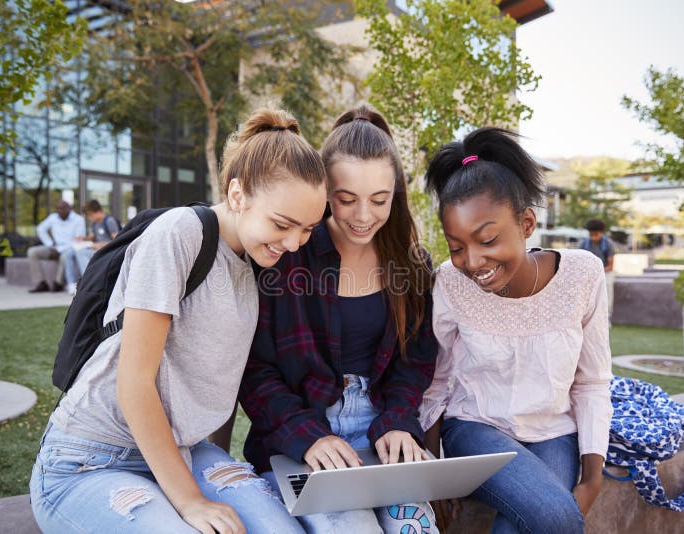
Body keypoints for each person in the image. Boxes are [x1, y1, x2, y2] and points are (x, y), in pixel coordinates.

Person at [30, 108, 328, 534]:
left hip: (183, 452)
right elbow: (134, 384)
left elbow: (218, 384)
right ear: (238, 194)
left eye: (307, 229)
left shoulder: (256, 263)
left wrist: (215, 474)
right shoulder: (180, 234)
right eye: (283, 224)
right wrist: (191, 501)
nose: (295, 243)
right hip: (88, 460)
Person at [238, 105, 439, 533]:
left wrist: (400, 422)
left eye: (379, 200)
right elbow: (254, 370)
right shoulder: (286, 256)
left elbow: (415, 362)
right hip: (303, 427)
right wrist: (305, 433)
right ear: (323, 191)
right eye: (346, 199)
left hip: (382, 428)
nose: (363, 216)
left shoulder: (411, 265)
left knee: (416, 528)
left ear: (395, 195)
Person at [420, 127, 613, 533]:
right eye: (456, 247)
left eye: (487, 239)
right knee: (558, 516)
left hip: (553, 433)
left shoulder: (582, 274)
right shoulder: (450, 282)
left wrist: (593, 477)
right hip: (474, 429)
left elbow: (592, 382)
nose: (472, 262)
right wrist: (432, 474)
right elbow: (437, 382)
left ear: (526, 223)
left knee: (525, 525)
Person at [63, 199, 121, 295]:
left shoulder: (109, 221)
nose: (89, 218)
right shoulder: (95, 223)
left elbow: (117, 241)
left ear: (97, 211)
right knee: (69, 252)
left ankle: (88, 282)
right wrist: (82, 238)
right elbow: (92, 236)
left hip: (107, 251)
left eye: (89, 215)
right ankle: (71, 284)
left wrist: (100, 245)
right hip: (96, 249)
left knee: (81, 253)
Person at [28, 200, 86, 293]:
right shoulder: (53, 218)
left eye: (63, 208)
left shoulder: (78, 219)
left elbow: (78, 240)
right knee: (32, 252)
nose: (60, 211)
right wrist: (50, 244)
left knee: (65, 256)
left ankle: (58, 283)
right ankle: (41, 283)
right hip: (54, 247)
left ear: (69, 209)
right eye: (58, 208)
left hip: (70, 249)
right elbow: (40, 229)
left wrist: (58, 249)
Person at [581, 218, 616, 321]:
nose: (593, 238)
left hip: (605, 272)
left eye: (596, 234)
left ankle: (607, 317)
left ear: (602, 233)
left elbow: (610, 266)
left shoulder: (608, 244)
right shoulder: (584, 244)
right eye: (591, 235)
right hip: (589, 272)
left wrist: (598, 272)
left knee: (607, 286)